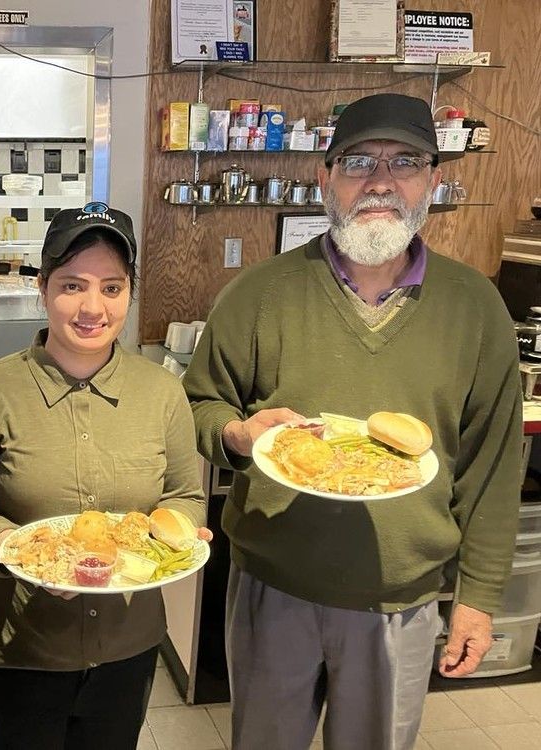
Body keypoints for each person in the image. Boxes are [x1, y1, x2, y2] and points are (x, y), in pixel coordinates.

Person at [184, 93, 522, 750]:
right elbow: (200, 406)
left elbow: (492, 465)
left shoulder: (475, 308)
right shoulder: (258, 294)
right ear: (326, 178)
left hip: (401, 598)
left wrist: (478, 596)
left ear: (434, 179)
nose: (380, 181)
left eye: (404, 162)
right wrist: (239, 435)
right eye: (359, 161)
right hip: (273, 587)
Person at [0, 204, 208, 750]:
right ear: (42, 287)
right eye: (72, 285)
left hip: (127, 648)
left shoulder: (162, 394)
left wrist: (176, 532)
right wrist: (15, 547)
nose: (92, 307)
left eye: (111, 287)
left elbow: (185, 494)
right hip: (23, 648)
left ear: (129, 292)